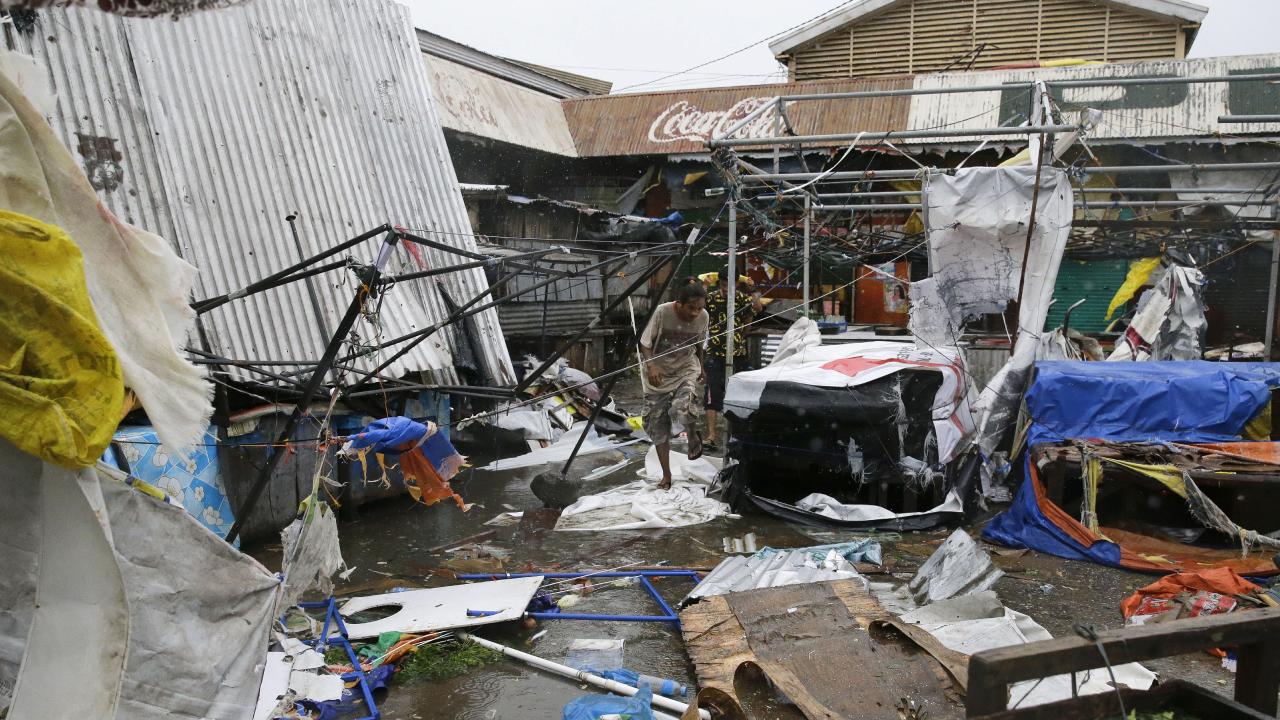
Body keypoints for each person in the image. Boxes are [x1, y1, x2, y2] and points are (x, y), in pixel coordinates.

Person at [639, 280, 709, 490]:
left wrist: (702, 368)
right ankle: (666, 475)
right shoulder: (662, 312)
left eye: (700, 308)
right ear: (679, 303)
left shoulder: (703, 317)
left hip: (685, 367)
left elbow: (699, 344)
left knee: (682, 404)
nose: (696, 313)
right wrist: (651, 367)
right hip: (657, 373)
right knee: (657, 426)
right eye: (691, 308)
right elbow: (645, 343)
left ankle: (693, 435)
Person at [704, 272, 763, 449]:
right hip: (715, 352)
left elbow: (757, 309)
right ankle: (712, 435)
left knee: (737, 393)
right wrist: (705, 285)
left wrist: (753, 290)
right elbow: (699, 306)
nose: (725, 289)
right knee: (711, 393)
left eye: (729, 285)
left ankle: (736, 434)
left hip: (737, 352)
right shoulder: (712, 298)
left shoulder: (743, 299)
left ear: (737, 284)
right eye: (722, 284)